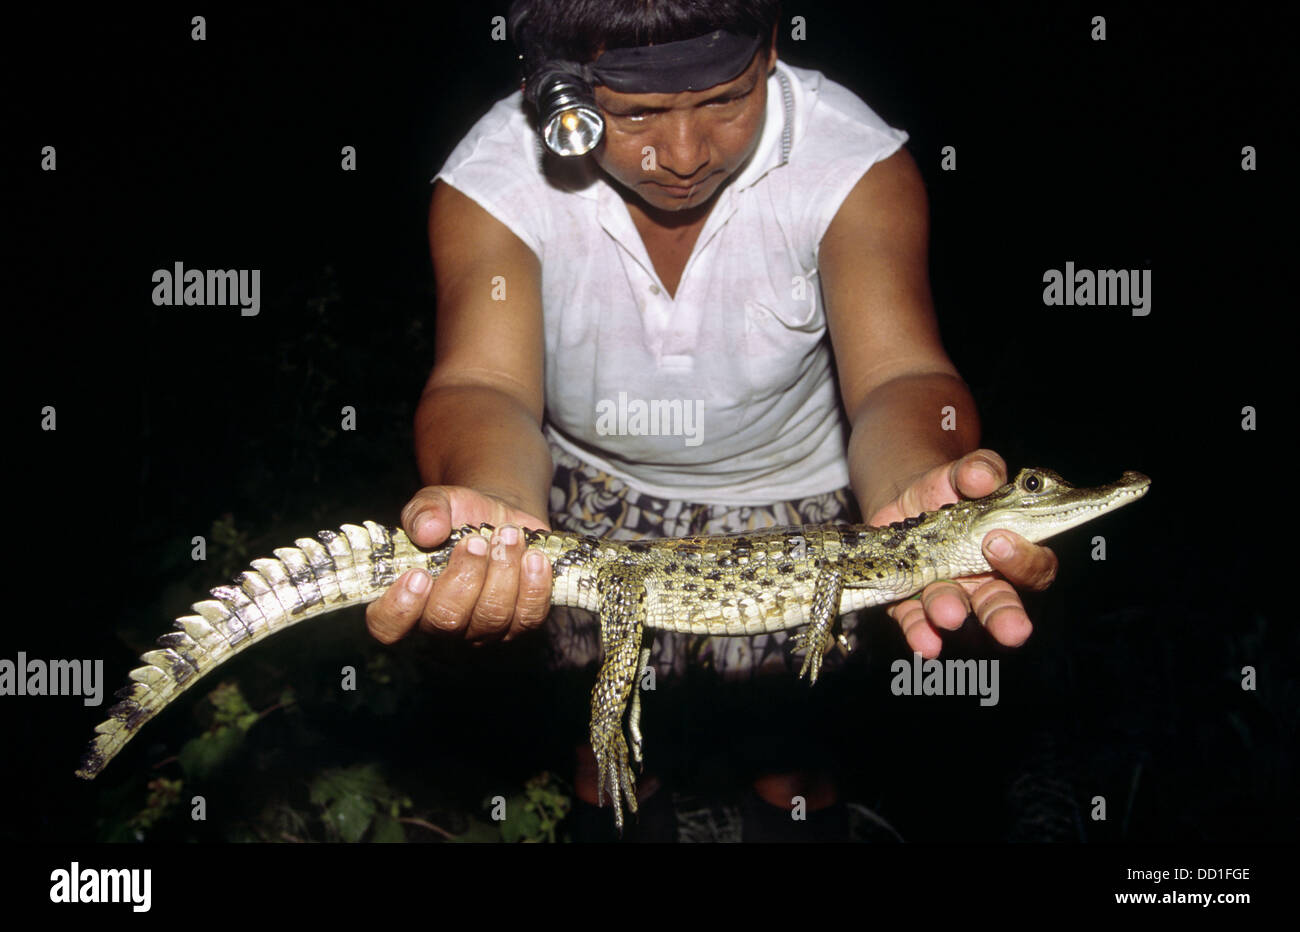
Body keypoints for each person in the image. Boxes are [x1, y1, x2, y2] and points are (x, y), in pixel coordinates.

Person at [365, 0, 1059, 841]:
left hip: (803, 503)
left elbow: (902, 376)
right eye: (634, 114)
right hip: (592, 497)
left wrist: (925, 483)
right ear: (549, 89)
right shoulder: (496, 178)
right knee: (610, 751)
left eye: (727, 100)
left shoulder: (850, 160)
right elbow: (483, 386)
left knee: (790, 762)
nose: (684, 156)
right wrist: (489, 506)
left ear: (770, 50)